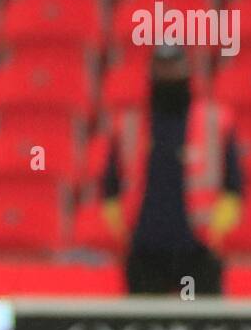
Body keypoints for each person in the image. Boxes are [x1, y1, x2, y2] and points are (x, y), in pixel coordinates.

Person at [102, 42, 243, 295]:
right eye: (162, 67)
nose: (168, 74)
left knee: (204, 327)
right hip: (145, 253)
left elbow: (233, 188)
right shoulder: (128, 125)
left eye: (174, 66)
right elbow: (110, 189)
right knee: (144, 328)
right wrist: (126, 231)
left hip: (197, 253)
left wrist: (214, 232)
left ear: (187, 70)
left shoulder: (214, 122)